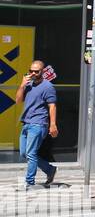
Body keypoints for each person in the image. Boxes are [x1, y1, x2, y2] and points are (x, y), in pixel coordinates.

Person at [17, 60, 58, 190]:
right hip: (26, 123)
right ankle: (50, 170)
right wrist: (22, 85)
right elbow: (18, 100)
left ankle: (29, 182)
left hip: (38, 124)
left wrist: (52, 125)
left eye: (37, 71)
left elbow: (52, 106)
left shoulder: (48, 87)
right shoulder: (28, 84)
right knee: (25, 153)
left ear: (43, 72)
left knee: (31, 153)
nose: (33, 73)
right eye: (31, 71)